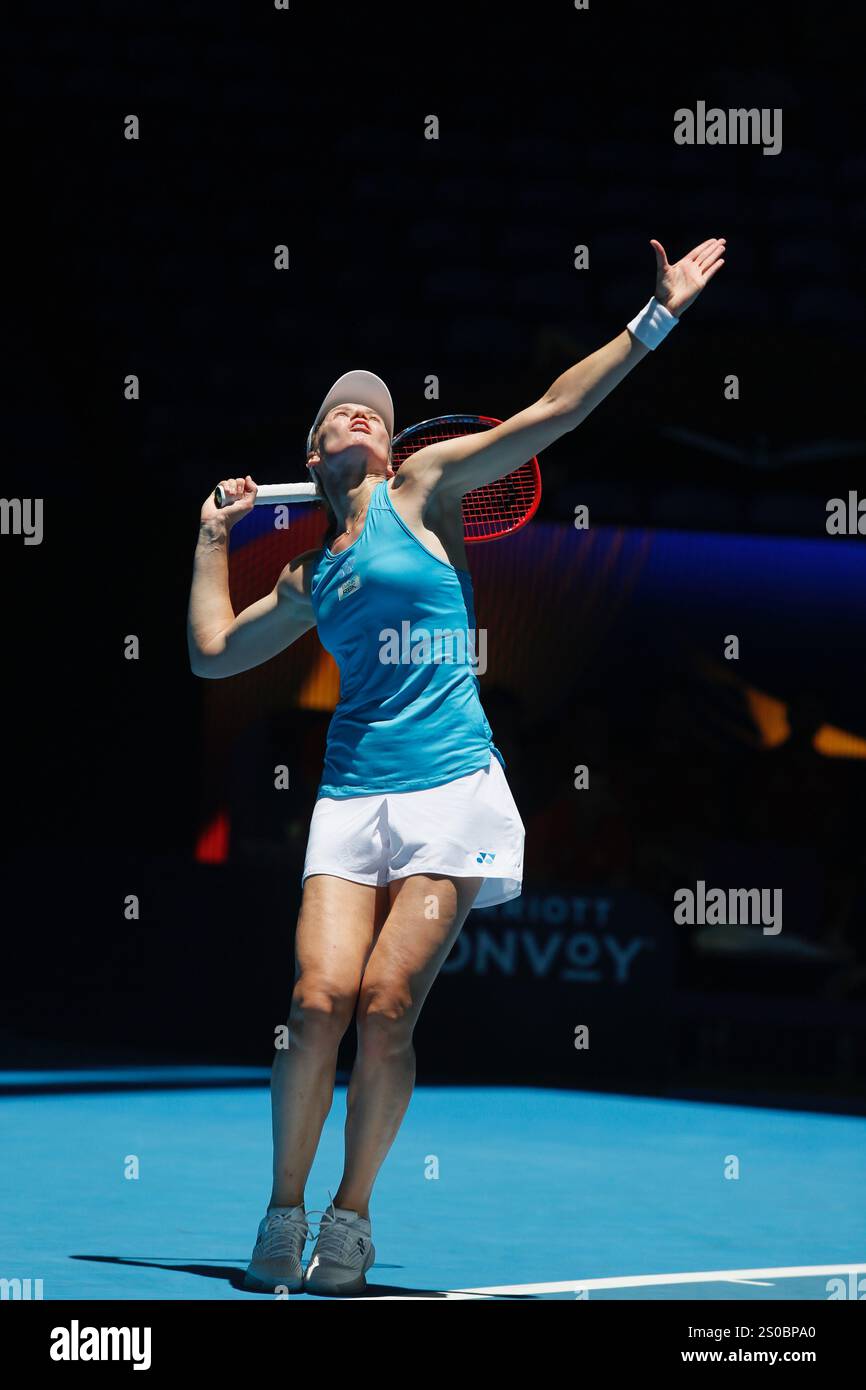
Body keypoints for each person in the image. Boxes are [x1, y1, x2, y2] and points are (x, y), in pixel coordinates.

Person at [186, 235, 726, 1294]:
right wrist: (211, 539)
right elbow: (212, 653)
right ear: (316, 443)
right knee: (313, 1003)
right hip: (350, 797)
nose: (364, 414)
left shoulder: (427, 488)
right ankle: (281, 1209)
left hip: (453, 792)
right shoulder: (308, 571)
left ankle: (350, 1218)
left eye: (377, 413)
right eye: (345, 409)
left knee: (385, 1002)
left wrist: (653, 316)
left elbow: (550, 415)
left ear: (392, 450)